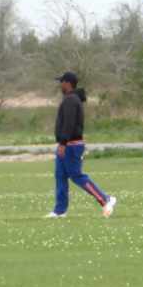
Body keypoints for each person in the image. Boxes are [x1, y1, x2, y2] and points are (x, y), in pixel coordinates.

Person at [48, 71, 116, 218]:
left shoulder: (71, 100)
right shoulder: (69, 99)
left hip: (71, 145)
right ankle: (60, 211)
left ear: (68, 83)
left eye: (62, 82)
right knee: (60, 176)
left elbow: (69, 123)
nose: (60, 84)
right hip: (66, 144)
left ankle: (106, 199)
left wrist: (63, 143)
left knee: (76, 176)